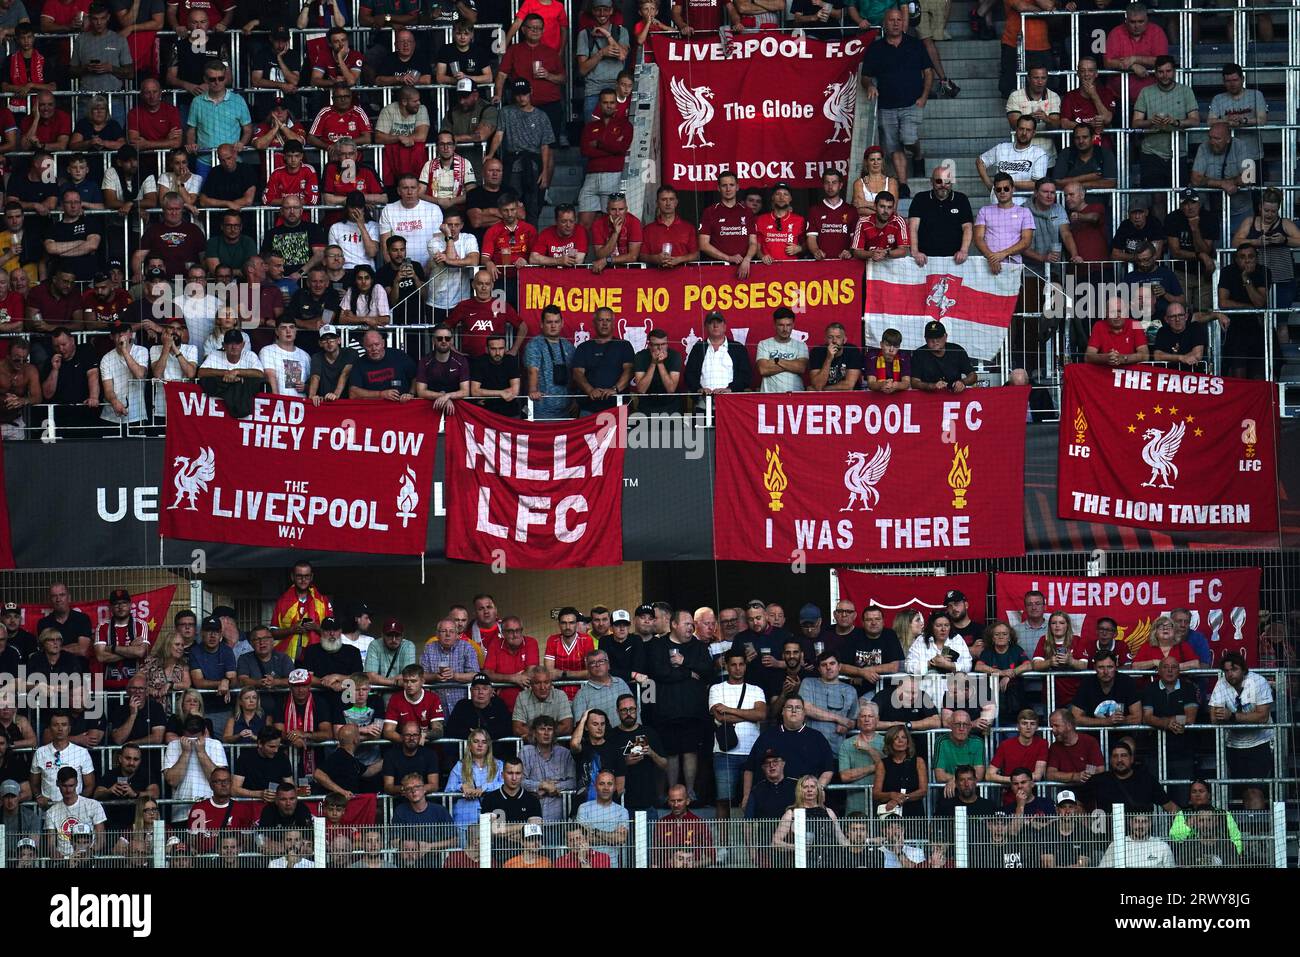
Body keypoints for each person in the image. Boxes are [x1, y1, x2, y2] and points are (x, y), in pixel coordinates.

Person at [859, 8, 932, 188]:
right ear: (885, 23)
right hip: (886, 106)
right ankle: (903, 184)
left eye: (899, 19)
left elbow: (928, 73)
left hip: (912, 103)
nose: (896, 23)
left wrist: (924, 97)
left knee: (908, 139)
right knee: (894, 148)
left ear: (903, 22)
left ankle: (918, 155)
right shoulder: (876, 48)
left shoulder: (915, 44)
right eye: (891, 20)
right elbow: (865, 76)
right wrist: (870, 85)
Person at [1209, 651, 1274, 804]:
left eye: (1234, 669)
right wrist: (1227, 716)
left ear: (1244, 669)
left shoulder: (1258, 681)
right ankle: (1248, 827)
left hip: (1260, 743)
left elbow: (1262, 716)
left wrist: (1231, 716)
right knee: (1243, 792)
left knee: (1255, 790)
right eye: (1226, 671)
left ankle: (1257, 828)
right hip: (1233, 744)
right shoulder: (1221, 683)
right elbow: (1213, 717)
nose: (1230, 674)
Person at [1133, 56, 1199, 197]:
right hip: (1151, 153)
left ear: (1174, 71)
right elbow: (1136, 123)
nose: (1164, 75)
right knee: (1156, 199)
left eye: (1168, 71)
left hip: (1178, 152)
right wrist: (1151, 121)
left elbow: (1195, 120)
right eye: (1161, 72)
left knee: (1181, 198)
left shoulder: (1185, 91)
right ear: (1155, 73)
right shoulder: (1146, 92)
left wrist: (1176, 122)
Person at [1103, 2, 1169, 106]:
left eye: (1140, 22)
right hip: (1118, 98)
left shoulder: (1157, 32)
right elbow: (1108, 62)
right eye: (1132, 22)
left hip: (1152, 99)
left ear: (1147, 19)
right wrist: (1133, 66)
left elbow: (1162, 61)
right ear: (1126, 20)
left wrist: (1134, 59)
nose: (1136, 26)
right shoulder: (1116, 32)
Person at [698, 171, 759, 279]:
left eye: (731, 185)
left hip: (744, 270)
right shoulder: (710, 212)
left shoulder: (747, 212)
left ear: (737, 187)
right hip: (717, 270)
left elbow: (753, 243)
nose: (728, 189)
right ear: (718, 188)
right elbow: (703, 245)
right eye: (724, 185)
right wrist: (728, 258)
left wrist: (747, 259)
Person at [521, 715, 577, 821]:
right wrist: (541, 785)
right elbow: (520, 781)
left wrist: (555, 788)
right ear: (534, 732)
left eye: (550, 729)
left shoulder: (565, 753)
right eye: (542, 729)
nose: (546, 733)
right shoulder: (526, 751)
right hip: (532, 816)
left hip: (558, 818)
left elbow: (573, 782)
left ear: (554, 733)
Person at [977, 117, 1050, 197]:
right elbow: (980, 161)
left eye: (1028, 130)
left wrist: (1007, 184)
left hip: (1023, 205)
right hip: (998, 203)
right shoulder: (1002, 148)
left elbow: (1038, 184)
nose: (1024, 133)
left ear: (1033, 133)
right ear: (1016, 130)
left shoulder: (1039, 154)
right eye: (1021, 129)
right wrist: (990, 186)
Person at [684, 311, 752, 396]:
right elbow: (689, 374)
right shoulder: (698, 348)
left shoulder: (737, 348)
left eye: (719, 322)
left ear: (724, 326)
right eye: (711, 323)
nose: (715, 326)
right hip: (703, 403)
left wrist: (730, 389)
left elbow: (746, 375)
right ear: (706, 327)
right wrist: (699, 389)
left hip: (730, 403)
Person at [420, 617, 480, 712]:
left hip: (461, 704)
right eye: (444, 631)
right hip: (436, 705)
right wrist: (435, 676)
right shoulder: (429, 648)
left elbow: (475, 675)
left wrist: (455, 675)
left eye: (451, 631)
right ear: (437, 635)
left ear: (457, 635)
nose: (448, 634)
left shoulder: (466, 647)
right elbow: (421, 676)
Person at [1046, 707, 1106, 796]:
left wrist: (1086, 774)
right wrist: (1075, 776)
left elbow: (1100, 769)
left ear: (1069, 725)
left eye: (1056, 726)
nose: (1053, 730)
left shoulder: (1089, 741)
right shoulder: (1055, 747)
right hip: (1066, 795)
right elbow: (1050, 774)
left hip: (1089, 791)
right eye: (1052, 727)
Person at [574, 769, 628, 867]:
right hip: (587, 863)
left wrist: (595, 832)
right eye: (602, 783)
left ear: (615, 787)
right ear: (595, 786)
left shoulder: (622, 811)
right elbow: (582, 839)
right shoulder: (583, 808)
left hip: (612, 864)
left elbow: (620, 839)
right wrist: (611, 839)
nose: (606, 788)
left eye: (609, 784)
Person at [1006, 65, 1062, 159]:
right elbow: (1013, 124)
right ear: (1028, 78)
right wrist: (1029, 119)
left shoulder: (1054, 96)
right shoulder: (1015, 96)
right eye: (1036, 78)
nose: (1040, 82)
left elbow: (1056, 126)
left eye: (1043, 78)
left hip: (1047, 154)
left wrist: (1046, 119)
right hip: (1021, 155)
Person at [872, 725, 928, 817]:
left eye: (904, 737)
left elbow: (923, 791)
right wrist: (891, 795)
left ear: (908, 742)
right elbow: (876, 793)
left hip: (914, 813)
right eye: (896, 738)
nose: (900, 741)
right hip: (890, 813)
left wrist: (899, 799)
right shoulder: (882, 764)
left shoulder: (918, 762)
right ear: (890, 742)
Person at [640, 186, 698, 269]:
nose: (668, 203)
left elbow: (695, 255)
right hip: (655, 276)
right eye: (663, 200)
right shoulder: (648, 229)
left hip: (684, 275)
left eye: (671, 199)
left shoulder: (688, 228)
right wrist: (656, 259)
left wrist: (678, 259)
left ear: (676, 202)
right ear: (657, 203)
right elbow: (642, 256)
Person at [754, 306, 808, 394]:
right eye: (781, 325)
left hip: (795, 395)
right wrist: (792, 365)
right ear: (775, 325)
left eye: (788, 325)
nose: (785, 329)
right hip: (770, 396)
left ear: (793, 325)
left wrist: (777, 360)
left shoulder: (801, 345)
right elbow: (763, 369)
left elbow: (801, 368)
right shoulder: (764, 344)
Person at [1099, 811, 1175, 867]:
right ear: (1130, 823)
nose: (1140, 826)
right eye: (1136, 821)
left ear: (1150, 823)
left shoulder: (1162, 846)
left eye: (1144, 821)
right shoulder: (1117, 845)